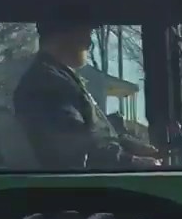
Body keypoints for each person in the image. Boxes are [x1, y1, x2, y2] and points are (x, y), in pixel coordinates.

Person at [13, 16, 160, 169]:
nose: (89, 43)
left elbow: (89, 135)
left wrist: (125, 144)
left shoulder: (58, 77)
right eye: (84, 34)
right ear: (62, 36)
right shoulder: (46, 84)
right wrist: (136, 163)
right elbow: (77, 149)